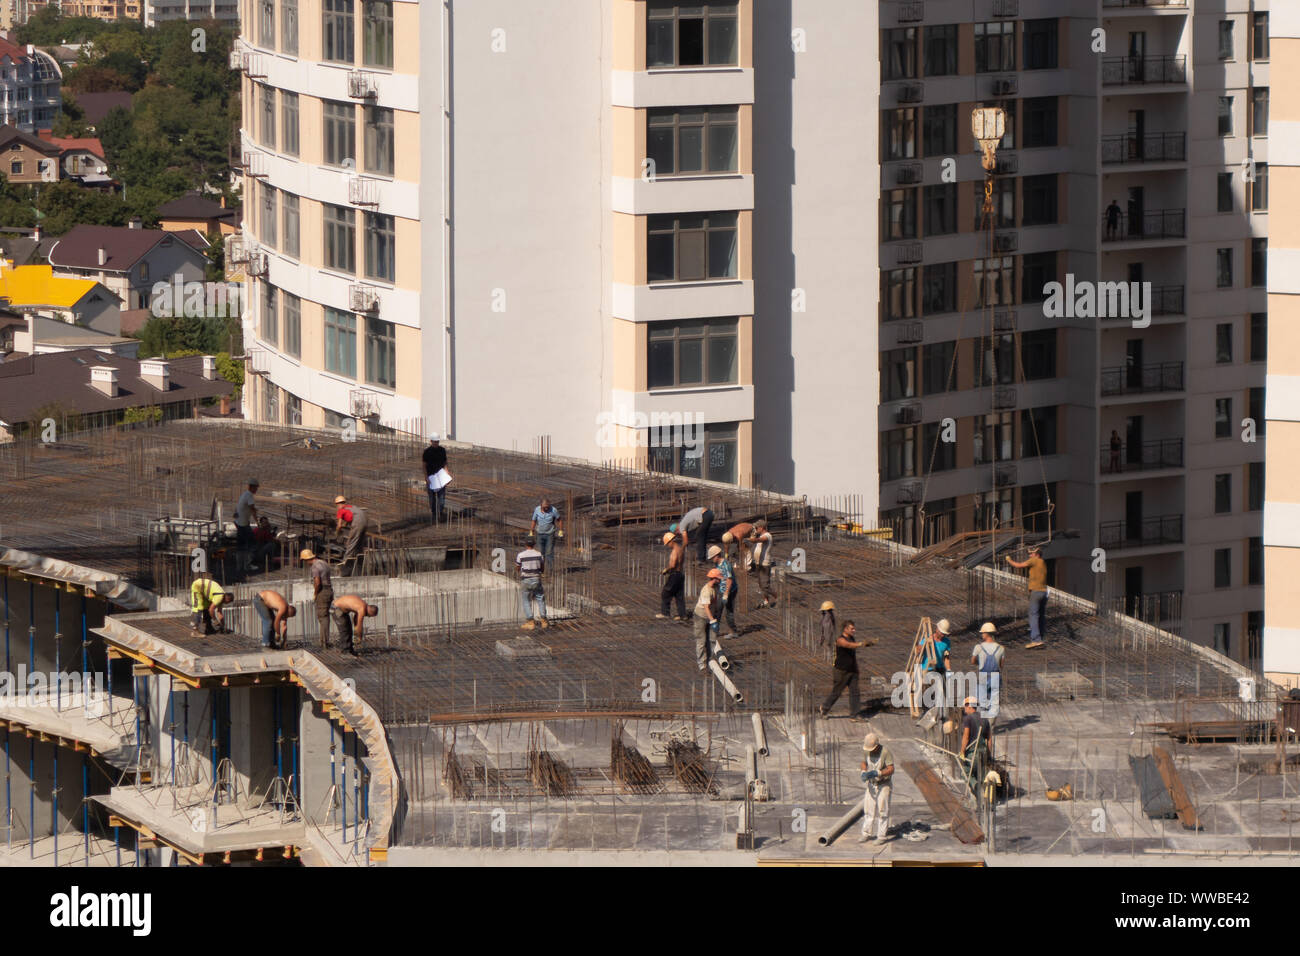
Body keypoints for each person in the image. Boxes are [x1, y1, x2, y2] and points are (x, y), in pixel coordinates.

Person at [819, 620, 875, 718]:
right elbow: (847, 645)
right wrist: (862, 644)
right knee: (837, 692)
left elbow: (852, 647)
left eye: (854, 628)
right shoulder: (840, 640)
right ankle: (824, 708)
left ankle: (855, 714)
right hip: (841, 671)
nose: (854, 630)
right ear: (845, 629)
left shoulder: (852, 638)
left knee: (855, 692)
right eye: (852, 628)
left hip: (852, 670)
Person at [1005, 544, 1048, 648]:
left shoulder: (1034, 560)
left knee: (1033, 615)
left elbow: (1018, 565)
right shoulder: (1043, 563)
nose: (1029, 556)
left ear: (1036, 554)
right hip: (1044, 592)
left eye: (1031, 554)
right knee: (1040, 616)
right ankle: (1040, 638)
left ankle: (1036, 640)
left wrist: (1009, 559)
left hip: (1036, 592)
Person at [858, 732, 895, 843]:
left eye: (872, 749)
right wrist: (863, 772)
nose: (870, 751)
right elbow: (864, 762)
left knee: (883, 811)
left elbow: (891, 769)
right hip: (872, 784)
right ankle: (866, 833)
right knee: (868, 810)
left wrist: (878, 773)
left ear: (877, 746)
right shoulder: (866, 750)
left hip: (883, 784)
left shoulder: (885, 752)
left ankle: (881, 836)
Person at [971, 622, 1004, 736]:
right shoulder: (1001, 648)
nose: (982, 635)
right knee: (994, 702)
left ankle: (982, 728)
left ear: (986, 634)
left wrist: (980, 662)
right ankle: (991, 727)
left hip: (983, 676)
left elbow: (973, 661)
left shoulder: (979, 647)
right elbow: (1001, 665)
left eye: (983, 633)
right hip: (995, 676)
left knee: (981, 702)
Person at [302, 548, 334, 650]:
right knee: (326, 616)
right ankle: (325, 640)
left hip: (322, 592)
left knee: (322, 617)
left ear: (306, 559)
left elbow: (317, 582)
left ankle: (324, 643)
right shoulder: (323, 563)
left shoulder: (315, 567)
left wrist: (315, 593)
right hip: (329, 590)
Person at [693, 567, 723, 670]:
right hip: (701, 617)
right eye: (719, 579)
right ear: (714, 578)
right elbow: (706, 608)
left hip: (711, 616)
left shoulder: (716, 587)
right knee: (701, 640)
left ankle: (710, 659)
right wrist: (712, 620)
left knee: (712, 638)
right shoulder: (706, 591)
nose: (720, 580)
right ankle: (702, 664)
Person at [959, 696, 993, 789]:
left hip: (972, 754)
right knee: (982, 776)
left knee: (964, 772)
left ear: (969, 706)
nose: (964, 708)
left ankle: (975, 785)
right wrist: (989, 755)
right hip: (984, 753)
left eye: (965, 706)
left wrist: (962, 752)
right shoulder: (985, 719)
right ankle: (983, 794)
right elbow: (989, 739)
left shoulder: (968, 719)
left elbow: (965, 737)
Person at [516, 535, 548, 630]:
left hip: (525, 580)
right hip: (536, 579)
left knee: (526, 600)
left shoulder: (520, 555)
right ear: (534, 544)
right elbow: (542, 568)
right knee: (540, 598)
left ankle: (530, 622)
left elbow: (518, 567)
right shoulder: (539, 554)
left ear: (526, 544)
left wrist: (520, 569)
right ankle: (544, 621)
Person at [708, 545, 739, 637]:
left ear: (717, 555)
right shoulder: (717, 564)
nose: (711, 559)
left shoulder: (726, 564)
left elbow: (729, 580)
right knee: (718, 609)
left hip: (730, 590)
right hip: (721, 589)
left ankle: (733, 631)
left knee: (728, 611)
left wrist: (726, 594)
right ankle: (715, 630)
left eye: (712, 557)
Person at [334, 496, 370, 575]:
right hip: (365, 521)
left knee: (351, 543)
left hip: (357, 522)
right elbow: (349, 519)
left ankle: (345, 562)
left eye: (337, 505)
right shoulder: (351, 507)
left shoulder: (341, 510)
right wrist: (345, 525)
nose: (337, 507)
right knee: (359, 543)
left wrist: (337, 532)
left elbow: (339, 525)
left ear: (338, 504)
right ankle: (360, 559)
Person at [657, 531, 687, 621]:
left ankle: (665, 613)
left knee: (666, 593)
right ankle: (683, 615)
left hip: (675, 575)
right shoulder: (680, 549)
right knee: (679, 595)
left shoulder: (674, 551)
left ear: (671, 541)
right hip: (681, 574)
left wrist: (666, 570)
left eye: (667, 544)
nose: (667, 546)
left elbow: (673, 565)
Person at [423, 433, 449, 523]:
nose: (436, 443)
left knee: (441, 498)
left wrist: (447, 473)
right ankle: (434, 514)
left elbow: (445, 463)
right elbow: (424, 465)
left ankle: (440, 513)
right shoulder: (427, 452)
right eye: (434, 441)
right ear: (431, 441)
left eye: (437, 441)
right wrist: (426, 477)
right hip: (431, 477)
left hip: (440, 477)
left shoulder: (442, 450)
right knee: (432, 498)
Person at [529, 498, 564, 566]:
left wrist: (560, 530)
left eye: (547, 507)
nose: (546, 509)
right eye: (545, 507)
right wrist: (531, 530)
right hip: (539, 533)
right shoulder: (537, 510)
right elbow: (534, 520)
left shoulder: (553, 510)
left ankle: (550, 570)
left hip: (550, 534)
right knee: (540, 552)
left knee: (549, 552)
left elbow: (559, 520)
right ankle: (541, 569)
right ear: (541, 505)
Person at [234, 479, 260, 571]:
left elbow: (239, 508)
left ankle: (239, 566)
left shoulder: (244, 494)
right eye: (256, 488)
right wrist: (258, 522)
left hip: (240, 522)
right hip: (243, 524)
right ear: (252, 487)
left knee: (241, 545)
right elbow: (252, 509)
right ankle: (247, 565)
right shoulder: (249, 496)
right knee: (251, 544)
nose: (256, 490)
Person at [750, 521, 777, 607]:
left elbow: (761, 540)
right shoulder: (761, 536)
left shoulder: (767, 536)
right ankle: (766, 600)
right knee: (761, 584)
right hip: (759, 563)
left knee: (765, 585)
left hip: (765, 564)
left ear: (762, 528)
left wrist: (754, 539)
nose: (756, 530)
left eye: (757, 528)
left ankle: (778, 597)